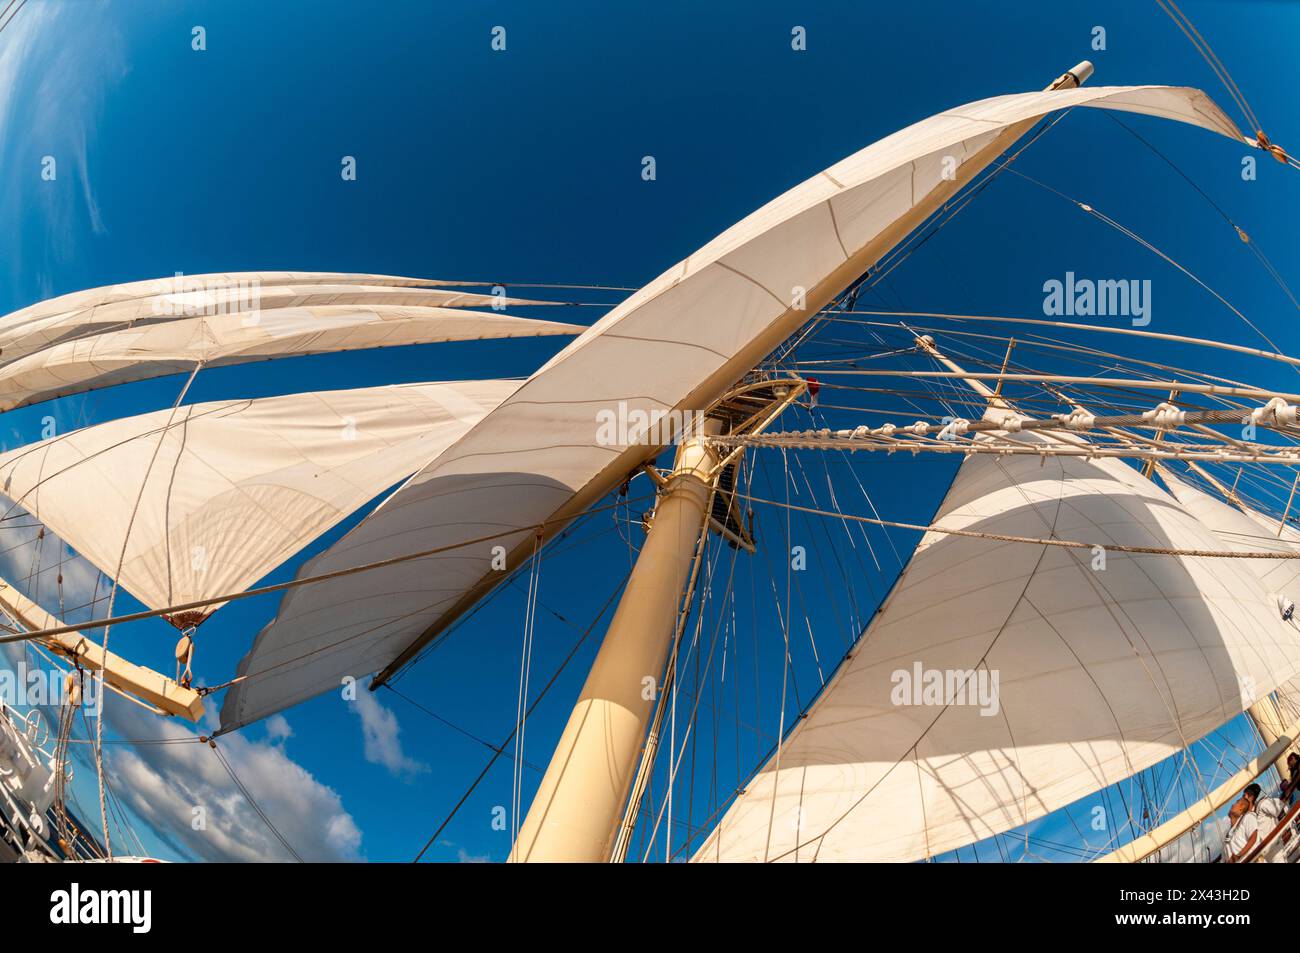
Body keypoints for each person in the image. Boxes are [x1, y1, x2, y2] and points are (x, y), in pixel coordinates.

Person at [1224, 798, 1259, 863]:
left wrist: (1239, 856)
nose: (1232, 805)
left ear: (1242, 807)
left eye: (1236, 803)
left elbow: (1253, 838)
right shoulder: (1228, 834)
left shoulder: (1247, 817)